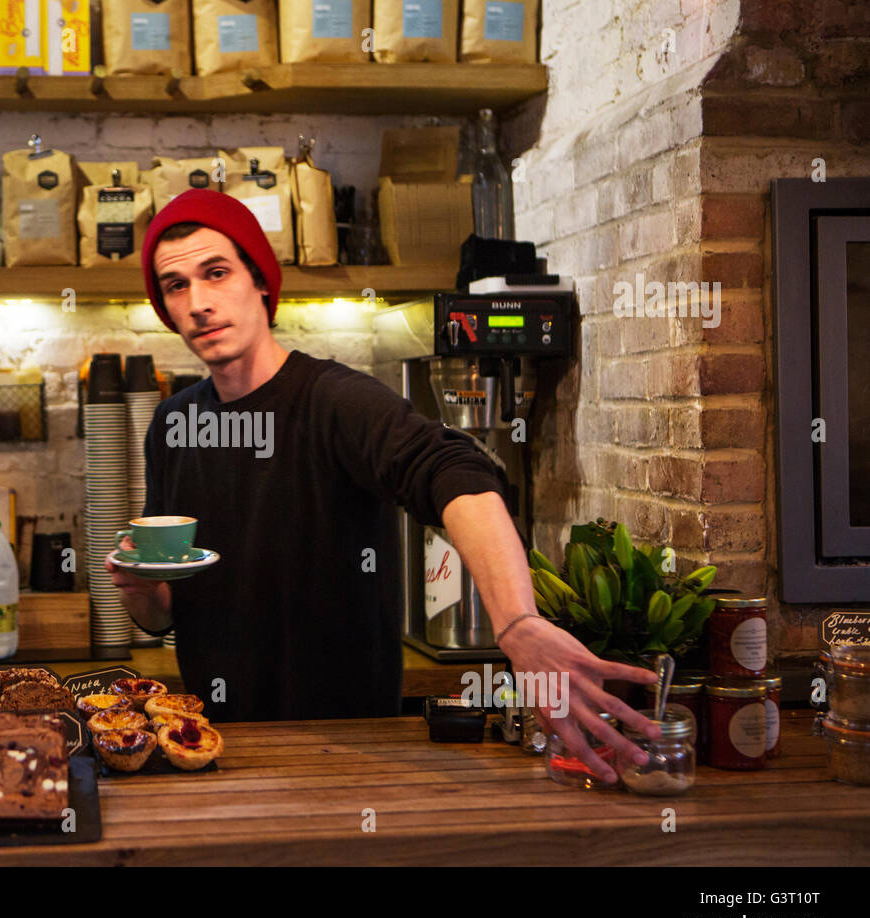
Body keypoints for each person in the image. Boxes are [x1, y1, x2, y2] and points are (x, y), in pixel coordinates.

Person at [106, 189, 657, 783]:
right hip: (213, 740)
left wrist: (518, 625)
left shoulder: (335, 401)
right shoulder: (174, 424)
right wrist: (139, 589)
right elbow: (164, 613)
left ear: (260, 281)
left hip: (346, 747)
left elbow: (455, 472)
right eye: (175, 285)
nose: (198, 303)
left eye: (216, 273)